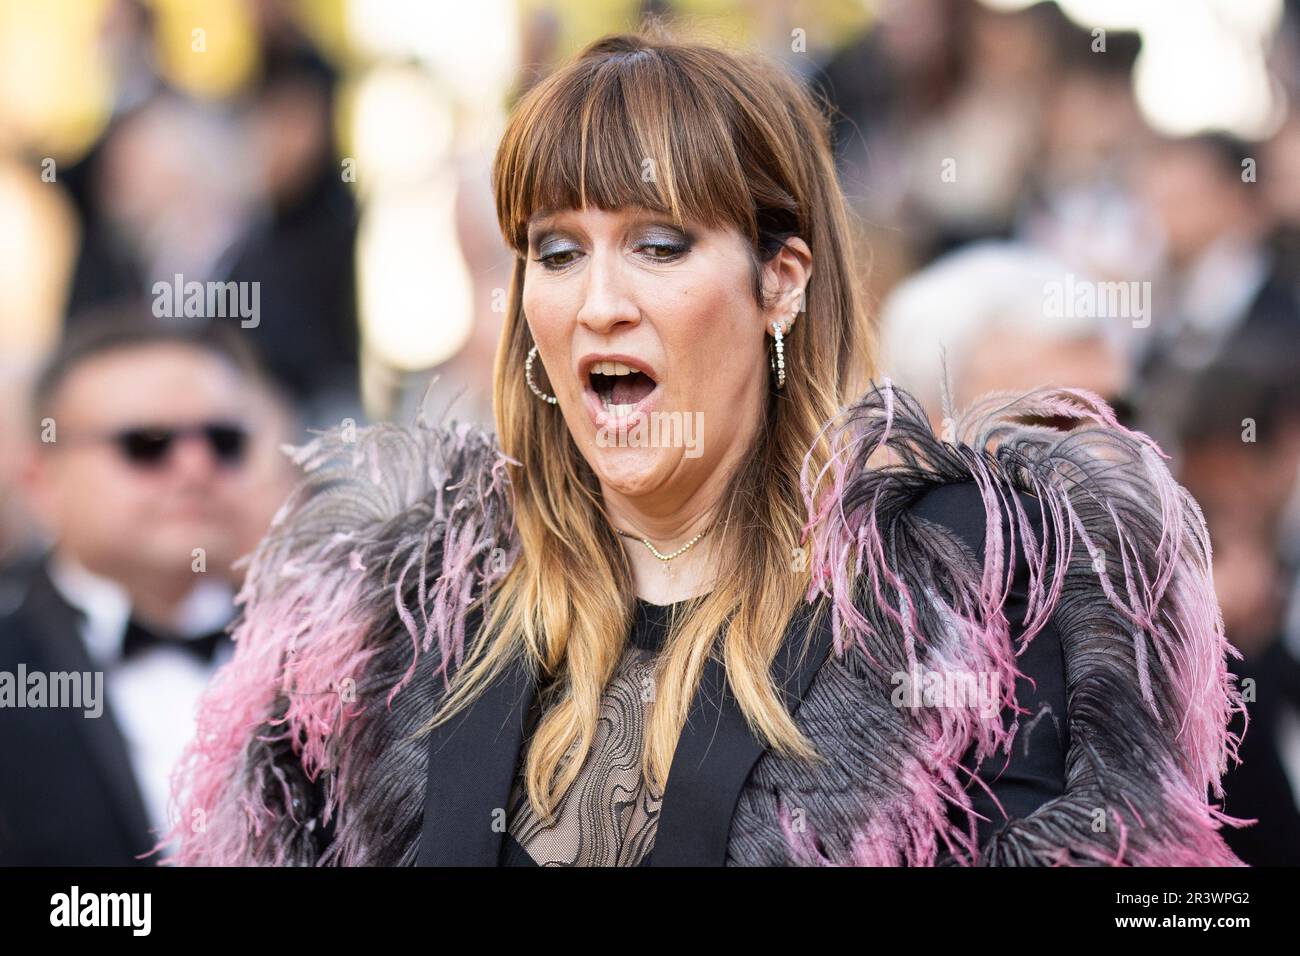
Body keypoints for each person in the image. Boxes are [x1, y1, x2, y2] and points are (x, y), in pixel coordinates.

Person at [168, 27, 1246, 867]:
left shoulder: (967, 592)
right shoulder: (398, 619)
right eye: (555, 250)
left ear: (779, 279)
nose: (598, 303)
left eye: (657, 244)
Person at [0, 315, 297, 864]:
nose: (195, 466)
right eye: (146, 443)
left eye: (224, 440)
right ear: (42, 481)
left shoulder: (325, 653)